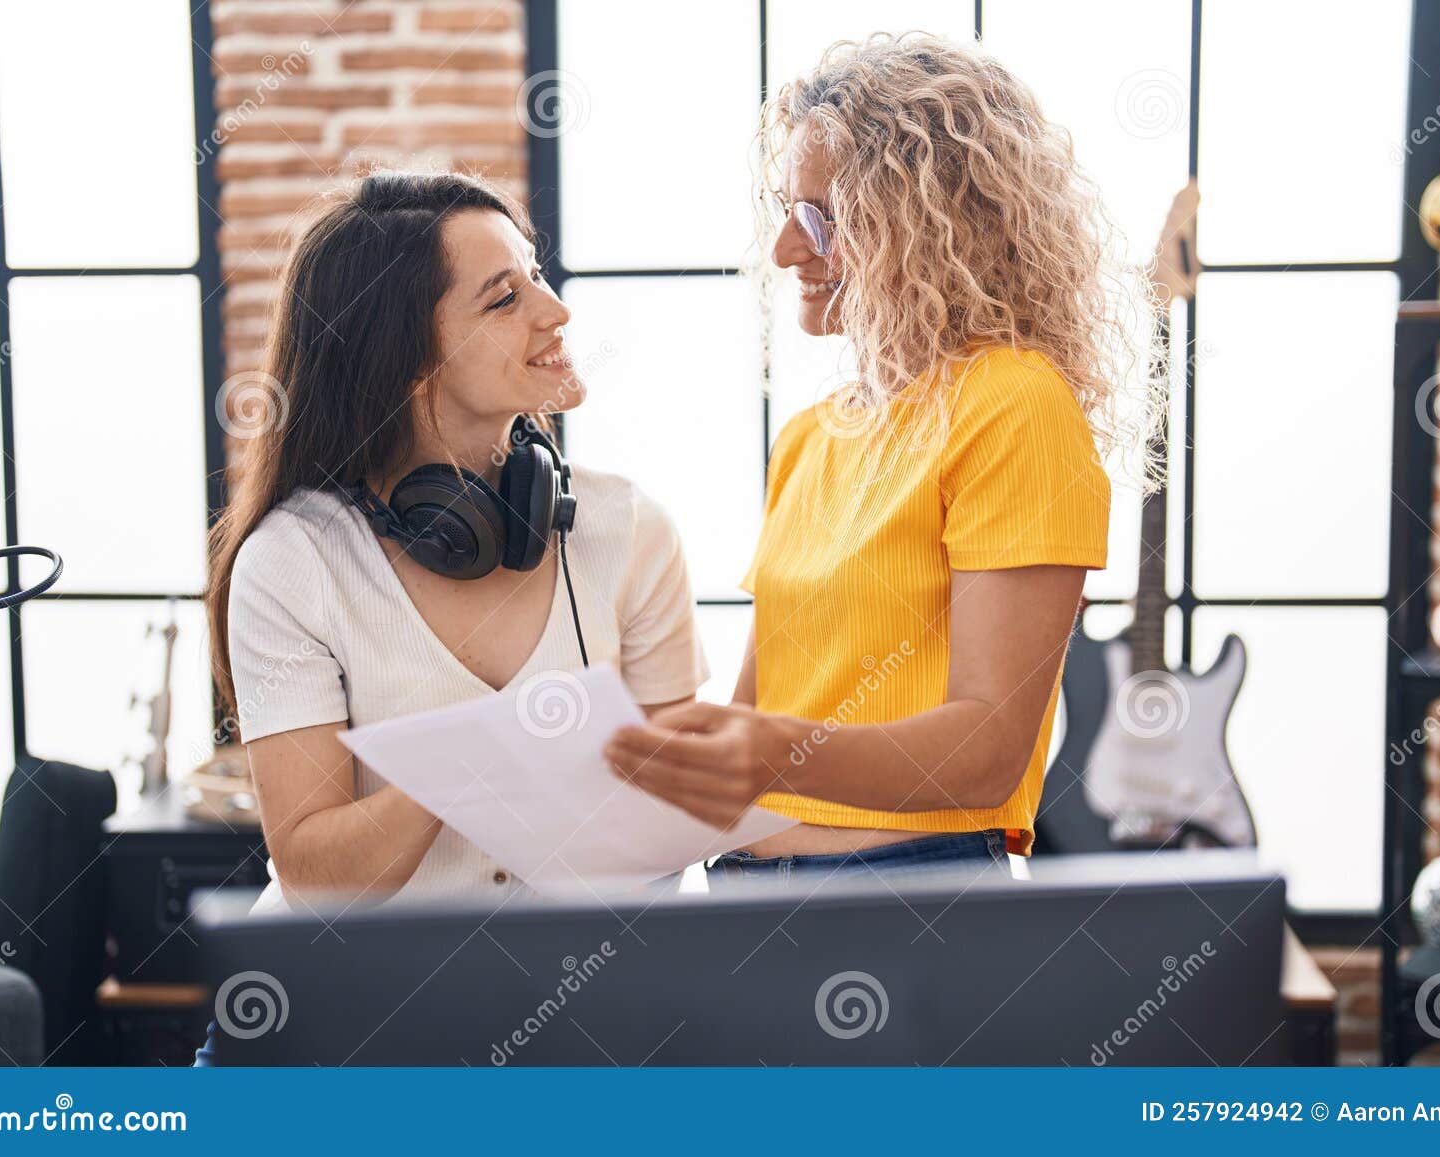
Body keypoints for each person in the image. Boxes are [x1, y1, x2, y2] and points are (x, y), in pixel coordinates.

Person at [605, 33, 1160, 890]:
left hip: (911, 894)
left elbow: (986, 751)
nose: (786, 250)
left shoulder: (1015, 403)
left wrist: (768, 752)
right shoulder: (808, 438)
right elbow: (757, 719)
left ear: (933, 225)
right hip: (742, 889)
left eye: (823, 217)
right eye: (787, 212)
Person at [192, 171, 708, 1063]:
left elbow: (678, 811)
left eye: (537, 276)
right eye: (505, 298)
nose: (556, 312)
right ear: (405, 355)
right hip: (341, 1027)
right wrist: (472, 766)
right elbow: (316, 874)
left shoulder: (629, 530)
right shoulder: (295, 559)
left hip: (560, 1025)